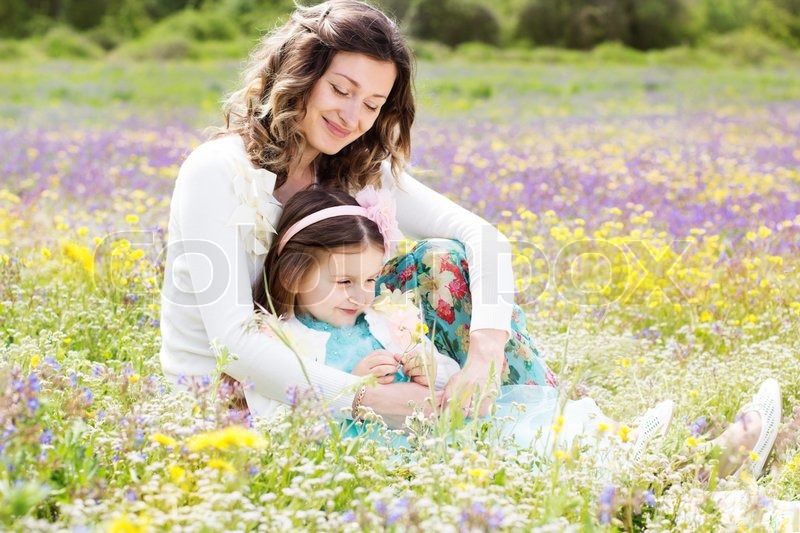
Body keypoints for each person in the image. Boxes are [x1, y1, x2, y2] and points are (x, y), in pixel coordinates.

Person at [158, 0, 545, 425]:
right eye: (341, 91)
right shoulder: (217, 169)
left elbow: (484, 238)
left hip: (343, 363)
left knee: (442, 258)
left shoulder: (354, 169)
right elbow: (233, 344)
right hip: (230, 396)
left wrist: (483, 355)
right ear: (299, 75)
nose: (351, 116)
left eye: (372, 104)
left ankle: (529, 416)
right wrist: (370, 398)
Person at [246, 187, 782, 481]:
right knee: (522, 454)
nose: (361, 294)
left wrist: (428, 367)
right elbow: (286, 417)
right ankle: (686, 470)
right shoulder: (284, 340)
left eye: (368, 279)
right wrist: (350, 384)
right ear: (294, 274)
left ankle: (683, 459)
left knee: (527, 432)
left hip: (441, 428)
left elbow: (443, 376)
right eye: (343, 281)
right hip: (393, 456)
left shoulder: (381, 319)